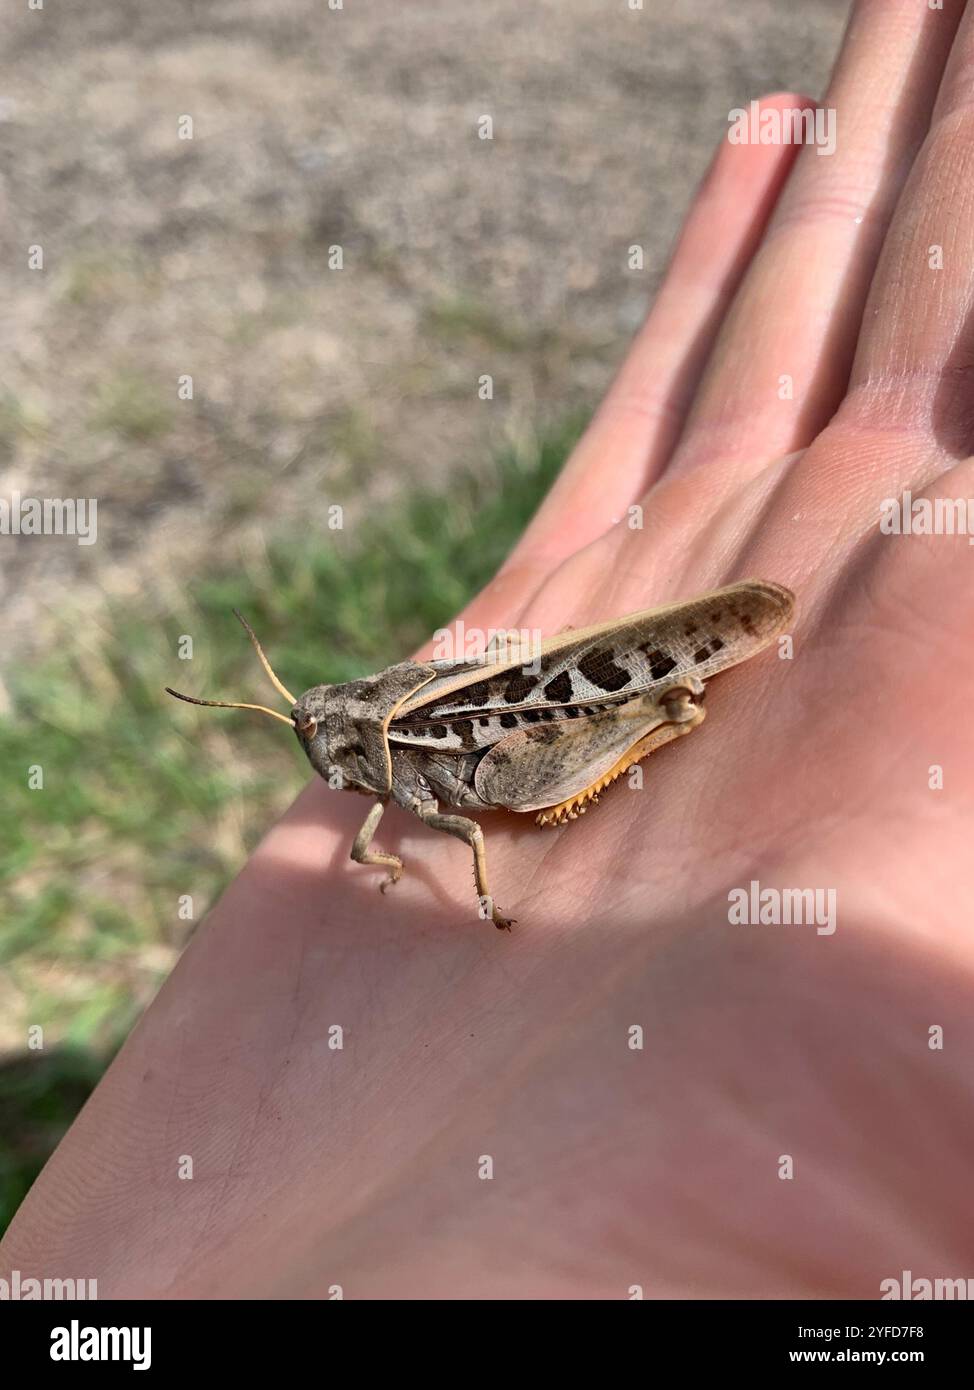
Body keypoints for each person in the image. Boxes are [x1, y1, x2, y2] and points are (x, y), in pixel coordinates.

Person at [4, 0, 973, 1298]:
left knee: (513, 770)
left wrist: (474, 887)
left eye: (314, 734)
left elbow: (465, 819)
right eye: (310, 736)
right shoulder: (369, 779)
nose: (318, 757)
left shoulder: (394, 765)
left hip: (540, 715)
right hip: (499, 723)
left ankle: (669, 699)